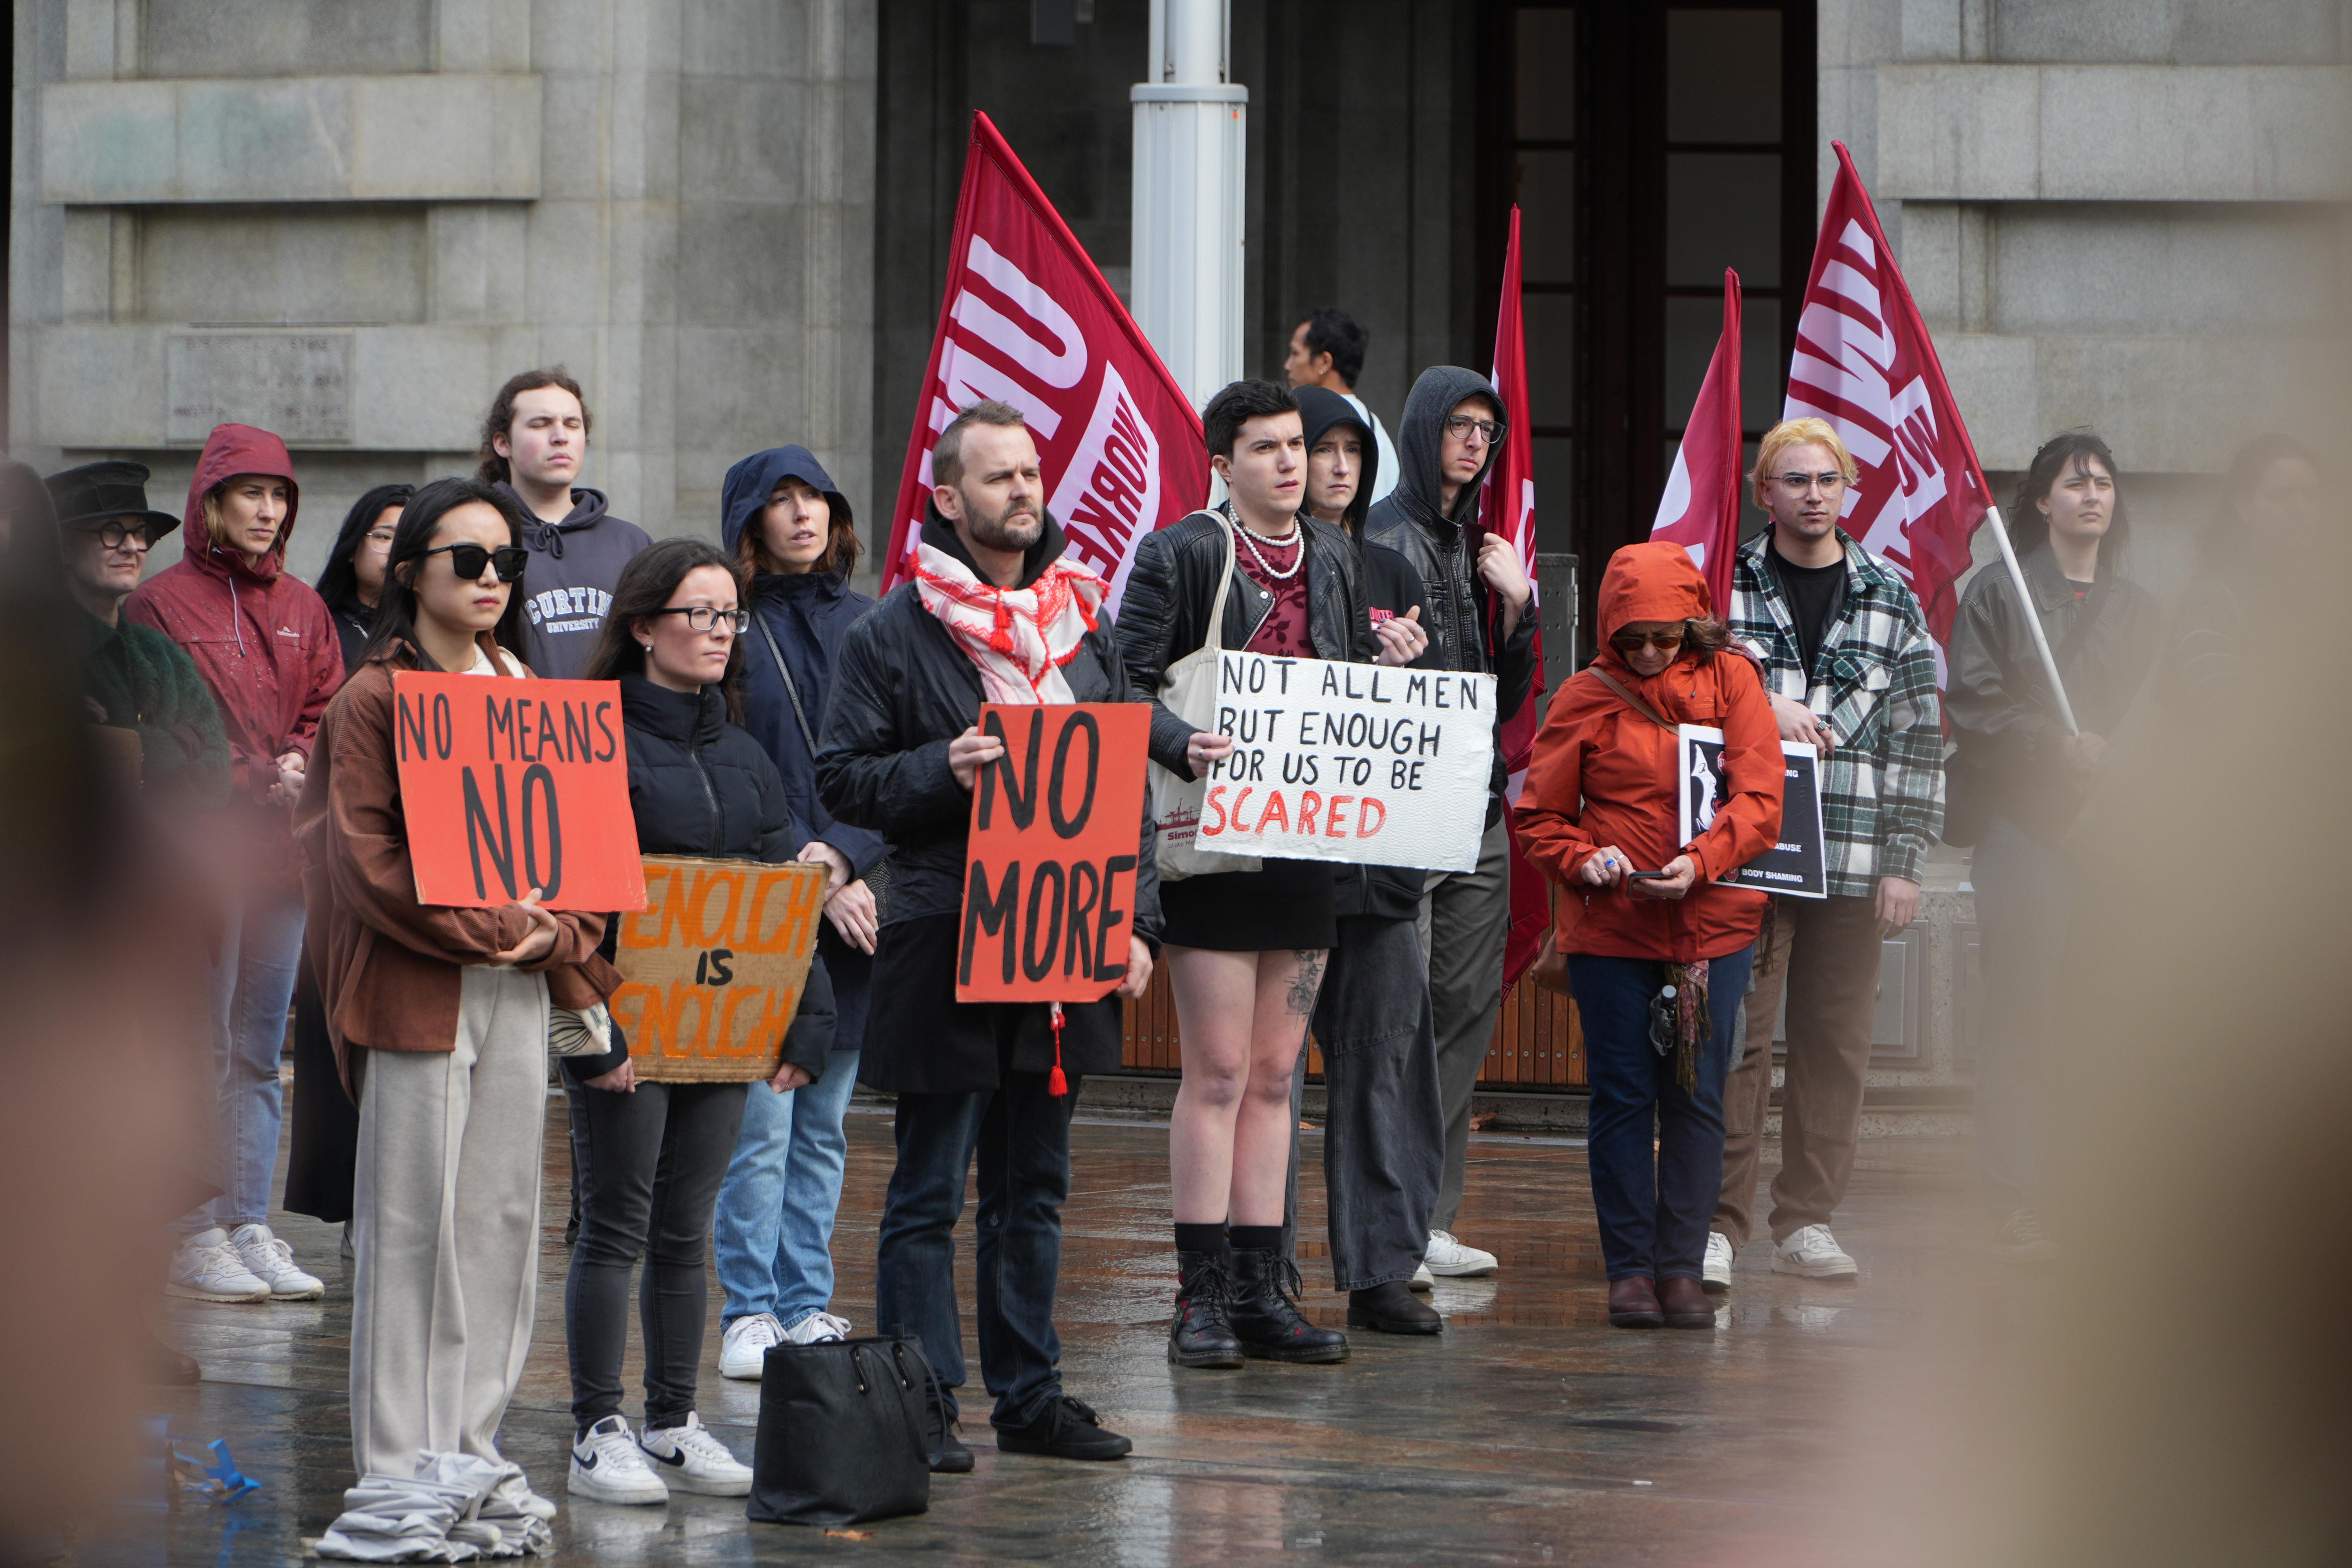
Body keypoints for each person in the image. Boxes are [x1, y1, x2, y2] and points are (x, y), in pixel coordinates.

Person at [817, 399, 1156, 1468]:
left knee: (1033, 1190)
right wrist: (940, 768)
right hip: (948, 929)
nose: (1024, 491)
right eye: (1000, 476)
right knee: (929, 1190)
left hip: (1065, 935)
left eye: (1031, 473)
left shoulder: (1081, 622)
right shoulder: (891, 629)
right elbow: (841, 779)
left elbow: (1124, 780)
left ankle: (1031, 1398)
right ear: (950, 498)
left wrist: (1139, 920)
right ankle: (921, 1405)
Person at [294, 477, 617, 1542]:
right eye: (467, 559)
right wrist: (507, 928)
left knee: (502, 1220)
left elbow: (579, 835)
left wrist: (560, 937)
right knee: (410, 1227)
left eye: (506, 561)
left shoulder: (527, 683)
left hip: (518, 983)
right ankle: (398, 1470)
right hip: (418, 986)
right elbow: (363, 858)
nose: (490, 578)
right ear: (410, 571)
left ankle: (471, 1452)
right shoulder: (374, 695)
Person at [1121, 379, 1417, 1370]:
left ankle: (1259, 1290)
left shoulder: (1334, 555)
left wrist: (1390, 670)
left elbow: (1345, 696)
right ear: (1222, 463)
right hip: (1209, 836)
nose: (1292, 462)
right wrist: (1178, 740)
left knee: (1279, 1074)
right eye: (1266, 447)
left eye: (1298, 444)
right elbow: (1120, 684)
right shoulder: (1180, 551)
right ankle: (1197, 1294)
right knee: (1216, 1070)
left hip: (1302, 835)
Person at [559, 539, 836, 1505]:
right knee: (615, 1225)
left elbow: (779, 898)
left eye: (730, 616)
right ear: (643, 626)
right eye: (700, 614)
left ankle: (672, 1419)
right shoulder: (591, 740)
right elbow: (567, 897)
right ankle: (597, 1428)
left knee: (685, 1228)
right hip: (622, 1023)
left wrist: (806, 1017)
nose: (721, 632)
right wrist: (590, 1033)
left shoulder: (745, 752)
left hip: (722, 1024)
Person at [1707, 418, 1945, 1289]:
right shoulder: (1720, 586)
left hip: (1851, 855)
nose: (1814, 494)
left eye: (1828, 480)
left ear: (1848, 490)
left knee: (1834, 1046)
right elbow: (1680, 693)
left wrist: (1905, 861)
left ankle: (1807, 1221)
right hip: (1748, 855)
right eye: (1796, 479)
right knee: (1738, 1040)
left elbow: (1920, 739)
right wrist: (1756, 702)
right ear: (1763, 492)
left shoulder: (1891, 597)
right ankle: (1717, 1225)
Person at [1518, 542, 1781, 1329]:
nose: (1647, 653)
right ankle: (1630, 1269)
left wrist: (1702, 861)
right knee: (1623, 1095)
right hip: (1613, 931)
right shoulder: (1582, 696)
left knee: (1698, 1096)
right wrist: (1582, 858)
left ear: (1692, 624)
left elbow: (1762, 798)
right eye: (1631, 639)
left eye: (1664, 638)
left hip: (1712, 929)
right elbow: (1539, 817)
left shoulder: (1734, 680)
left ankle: (1683, 1268)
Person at [126, 424, 343, 1306]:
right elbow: (169, 726)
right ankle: (194, 1229)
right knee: (200, 1046)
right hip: (202, 857)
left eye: (280, 494)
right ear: (209, 502)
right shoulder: (159, 605)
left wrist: (303, 759)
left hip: (283, 859)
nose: (269, 509)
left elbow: (329, 702)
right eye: (250, 492)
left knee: (257, 1050)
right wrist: (261, 773)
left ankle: (249, 1221)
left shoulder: (305, 607)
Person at [1946, 430, 2161, 1259]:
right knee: (2023, 1012)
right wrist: (2050, 743)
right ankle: (2019, 1198)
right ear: (2042, 501)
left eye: (2103, 483)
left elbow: (2163, 713)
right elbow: (1974, 702)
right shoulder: (2000, 592)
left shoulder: (2140, 607)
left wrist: (2124, 757)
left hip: (2115, 839)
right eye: (2074, 484)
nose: (2092, 496)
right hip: (2026, 829)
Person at [711, 447, 883, 1379]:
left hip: (850, 905)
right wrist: (811, 863)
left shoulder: (871, 622)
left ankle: (805, 1298)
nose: (801, 514)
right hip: (757, 902)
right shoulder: (723, 628)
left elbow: (897, 759)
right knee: (761, 1125)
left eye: (814, 496)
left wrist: (846, 853)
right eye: (779, 500)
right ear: (750, 521)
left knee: (822, 1124)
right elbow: (725, 763)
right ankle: (748, 1307)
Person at [1363, 366, 1537, 1279]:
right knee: (1401, 1009)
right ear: (1422, 426)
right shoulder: (1373, 536)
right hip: (1401, 805)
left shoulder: (1482, 548)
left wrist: (1519, 607)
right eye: (1459, 424)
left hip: (1476, 804)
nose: (1474, 441)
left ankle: (1431, 1217)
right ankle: (1389, 1221)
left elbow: (1507, 699)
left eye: (1486, 429)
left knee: (1465, 1008)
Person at [1282, 385, 1445, 1332]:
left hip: (1378, 867)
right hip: (1282, 865)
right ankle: (1261, 1276)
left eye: (1353, 449)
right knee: (1267, 1082)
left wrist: (1406, 675)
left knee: (1384, 1065)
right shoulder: (1253, 567)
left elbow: (1439, 714)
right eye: (1321, 446)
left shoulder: (1392, 566)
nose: (1338, 465)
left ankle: (1382, 1268)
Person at [284, 485, 413, 1241]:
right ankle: (353, 1215)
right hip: (336, 860)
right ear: (354, 543)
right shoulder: (320, 622)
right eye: (383, 535)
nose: (394, 552)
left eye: (408, 537)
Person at [48, 460, 230, 805]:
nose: (132, 547)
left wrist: (119, 746)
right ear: (65, 546)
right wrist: (164, 746)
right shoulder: (36, 651)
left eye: (140, 532)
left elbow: (216, 779)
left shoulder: (161, 654)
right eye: (112, 531)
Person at [477, 366, 652, 679]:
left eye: (572, 424)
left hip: (618, 711)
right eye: (540, 424)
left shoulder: (631, 543)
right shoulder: (477, 538)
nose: (560, 437)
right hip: (514, 709)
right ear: (503, 443)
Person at [2166, 434, 2324, 724]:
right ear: (2243, 506)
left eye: (2310, 496)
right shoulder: (2212, 602)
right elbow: (2224, 716)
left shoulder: (2334, 598)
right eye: (2281, 496)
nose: (2300, 509)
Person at [1284, 307, 1399, 506]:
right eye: (1325, 449)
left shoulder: (1306, 419)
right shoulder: (1374, 425)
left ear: (1324, 362)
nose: (1288, 365)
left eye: (1295, 353)